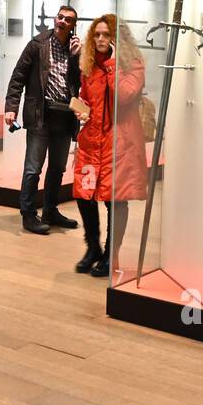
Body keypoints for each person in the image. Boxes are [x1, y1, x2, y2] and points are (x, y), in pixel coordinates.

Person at [71, 16, 147, 277]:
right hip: (92, 140)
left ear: (118, 39)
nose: (101, 39)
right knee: (84, 193)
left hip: (120, 143)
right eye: (97, 35)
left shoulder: (133, 65)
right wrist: (82, 111)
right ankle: (92, 247)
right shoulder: (89, 66)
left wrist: (114, 65)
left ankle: (110, 254)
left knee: (115, 199)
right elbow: (85, 96)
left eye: (106, 35)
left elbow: (124, 96)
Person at [5, 4, 82, 235]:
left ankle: (50, 210)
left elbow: (80, 84)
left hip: (66, 117)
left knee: (58, 168)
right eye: (60, 17)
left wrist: (79, 58)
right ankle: (28, 214)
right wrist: (11, 107)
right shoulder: (37, 44)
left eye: (68, 19)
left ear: (73, 25)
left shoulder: (75, 49)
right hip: (41, 114)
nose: (62, 21)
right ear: (54, 18)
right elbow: (18, 77)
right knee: (33, 168)